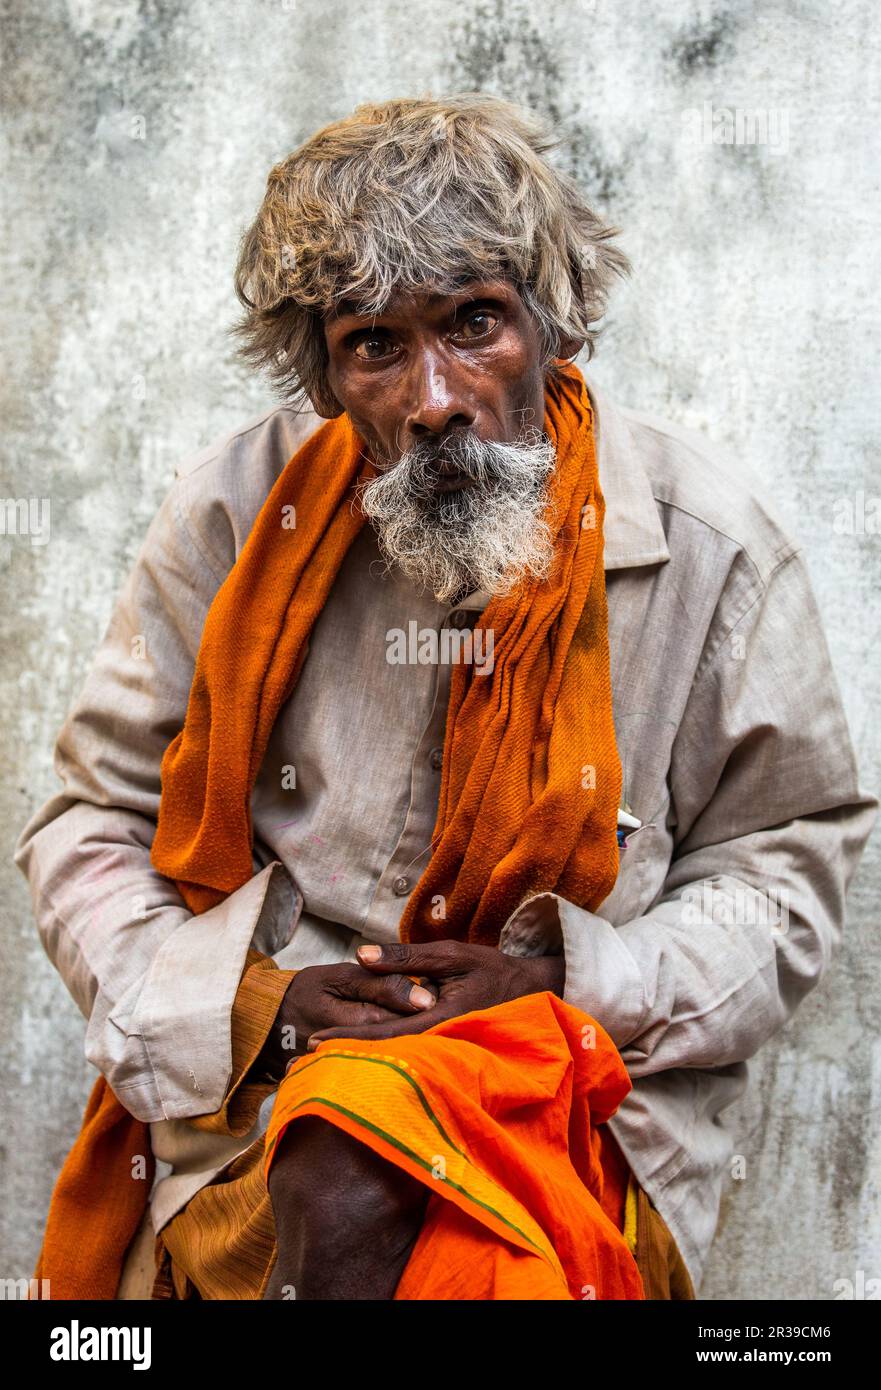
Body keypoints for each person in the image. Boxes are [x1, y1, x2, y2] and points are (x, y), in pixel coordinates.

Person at [15, 94, 876, 1302]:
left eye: (474, 323)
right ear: (322, 377)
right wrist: (257, 1005)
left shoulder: (710, 550)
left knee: (376, 1169)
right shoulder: (231, 518)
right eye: (375, 343)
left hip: (580, 1100)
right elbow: (89, 824)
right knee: (342, 1158)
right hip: (266, 1108)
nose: (432, 396)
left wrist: (570, 986)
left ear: (552, 326)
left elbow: (782, 864)